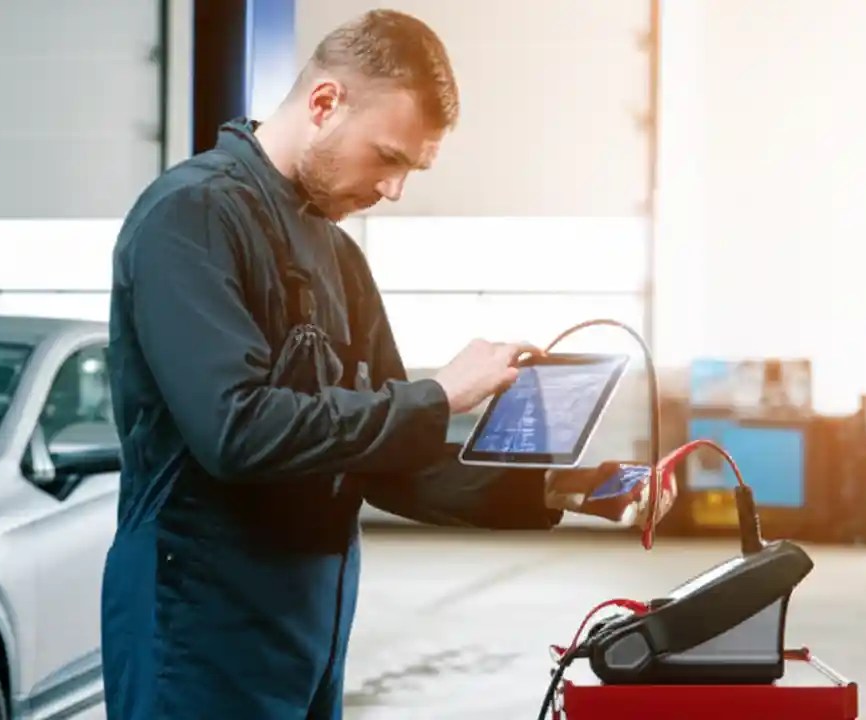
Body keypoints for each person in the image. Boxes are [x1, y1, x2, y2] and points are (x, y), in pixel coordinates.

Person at [102, 10, 595, 719]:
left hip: (308, 638)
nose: (394, 190)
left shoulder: (339, 257)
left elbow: (391, 461)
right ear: (325, 102)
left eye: (412, 169)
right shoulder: (190, 218)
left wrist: (559, 488)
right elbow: (235, 430)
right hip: (195, 633)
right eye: (388, 157)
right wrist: (437, 394)